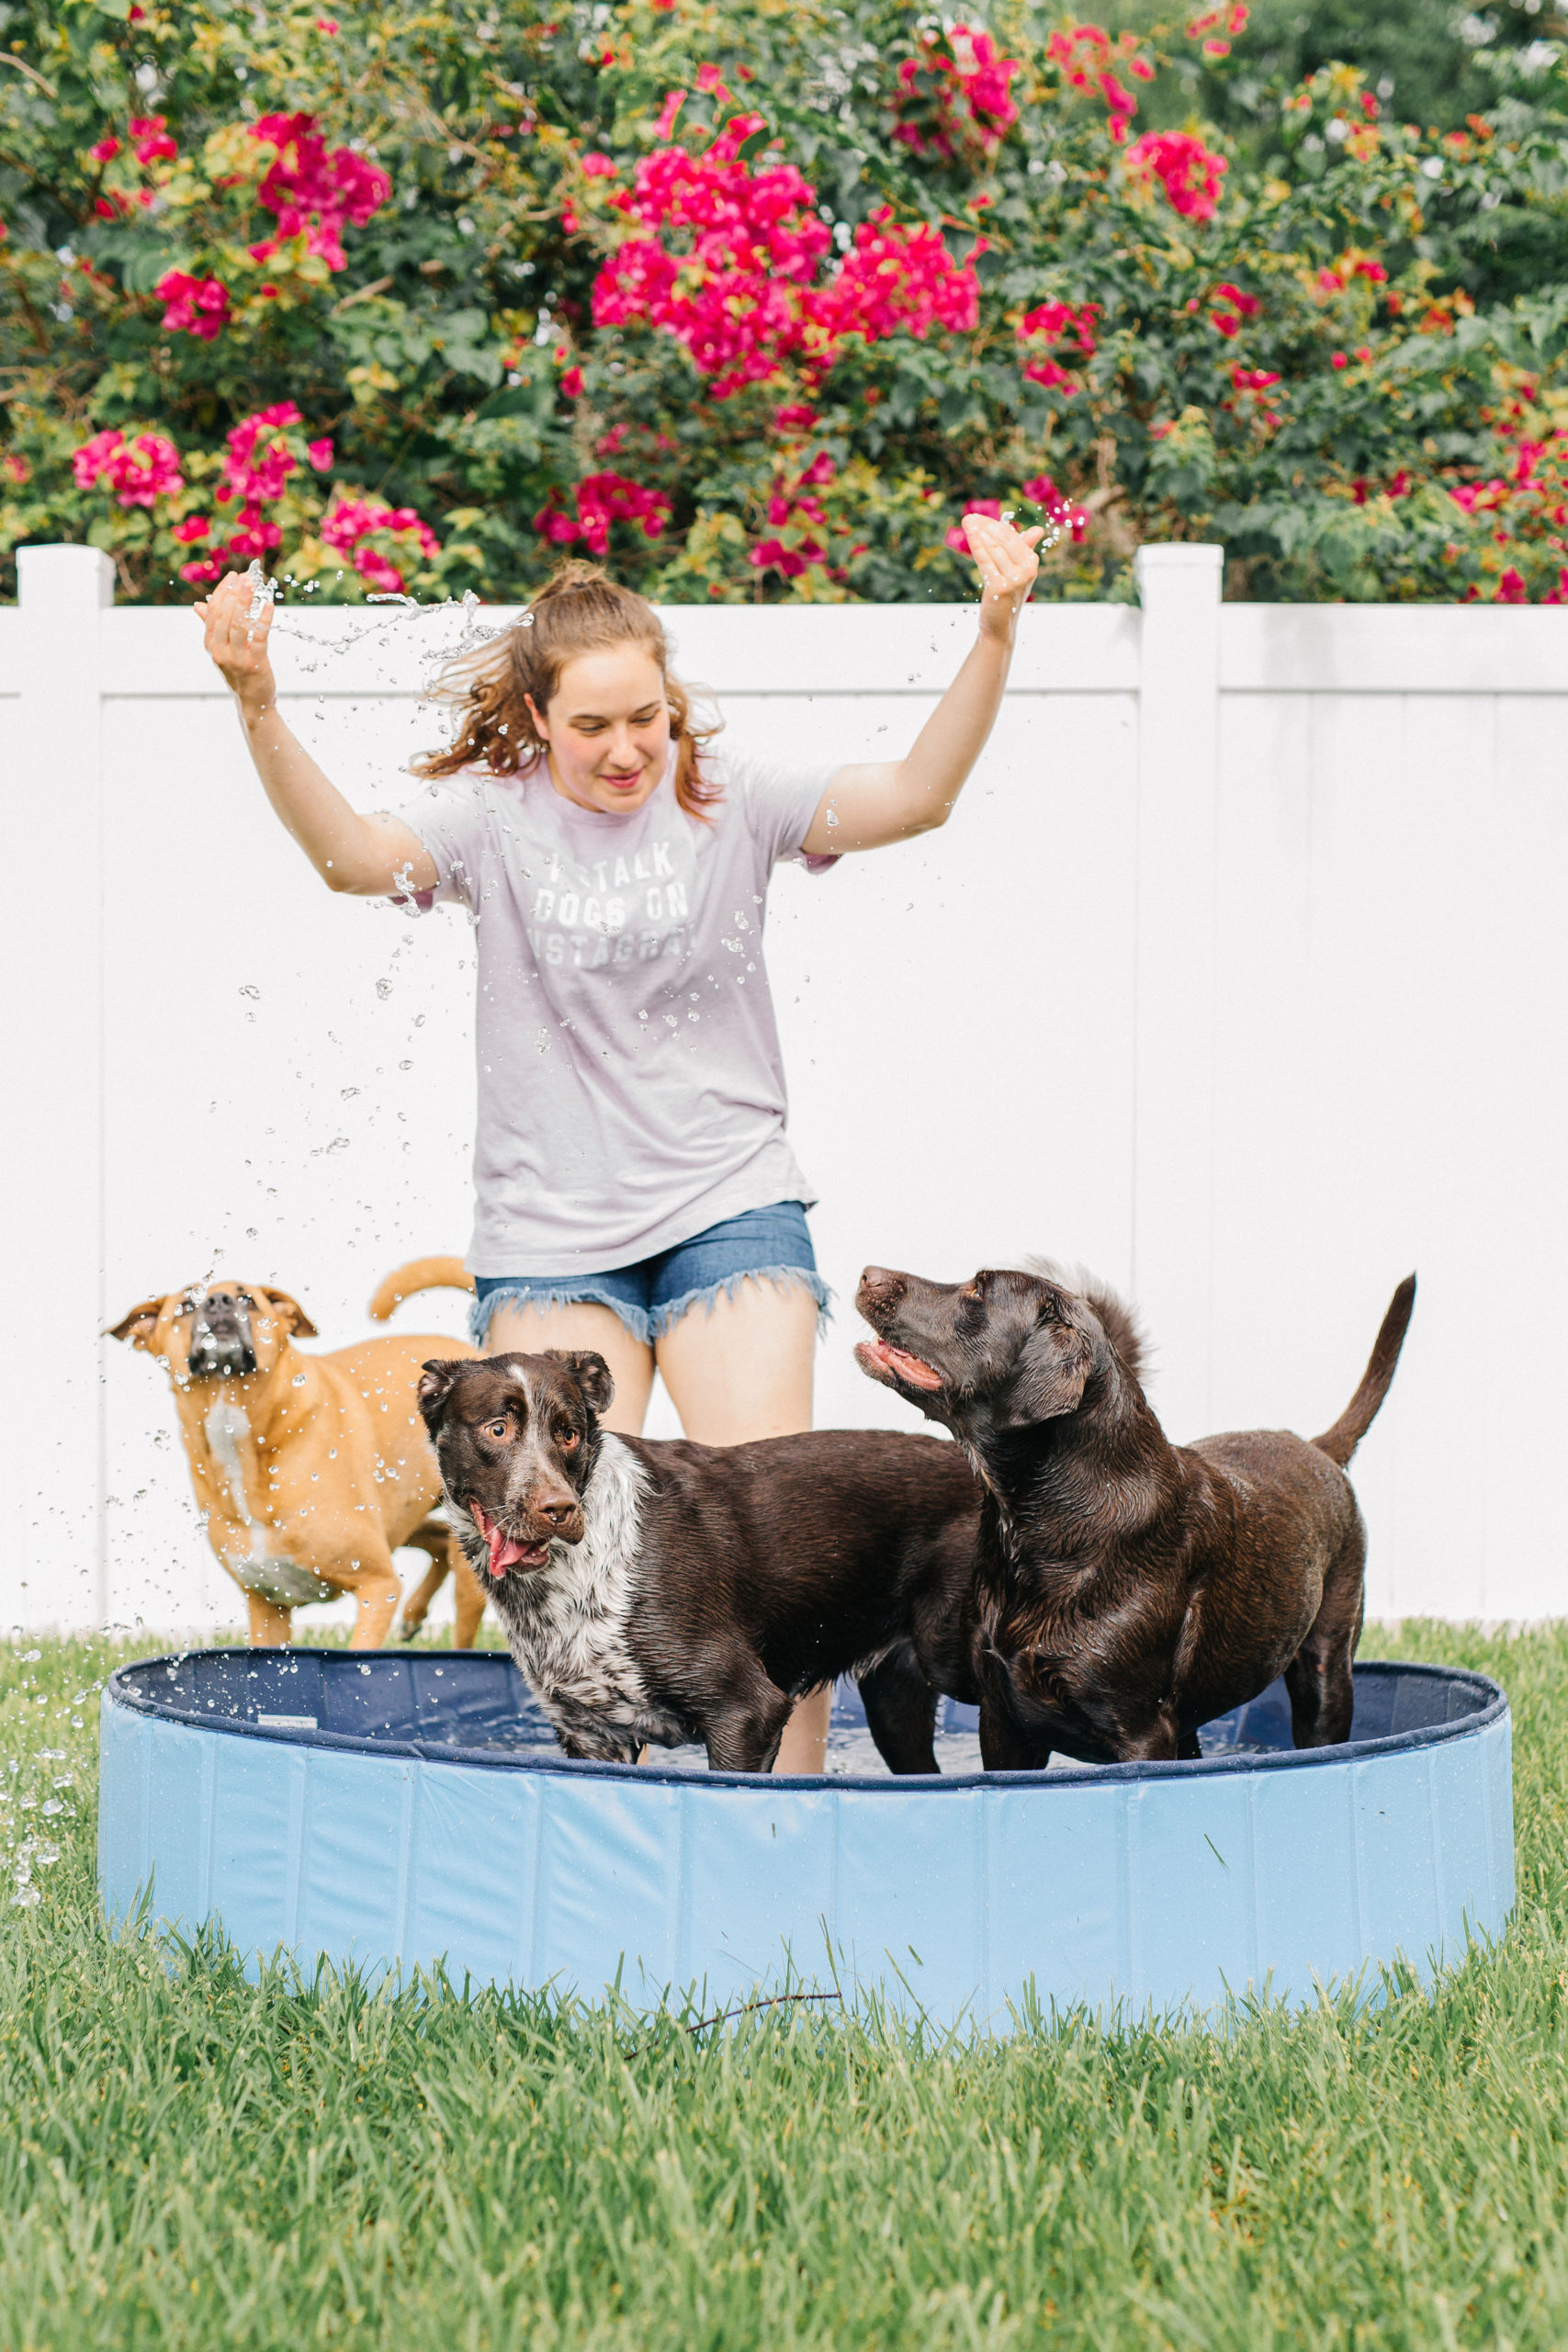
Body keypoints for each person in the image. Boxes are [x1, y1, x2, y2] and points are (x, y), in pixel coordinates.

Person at [197, 511, 1043, 1769]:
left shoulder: (734, 802)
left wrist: (995, 628)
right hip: (549, 1237)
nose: (624, 748)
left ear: (672, 704)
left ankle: (777, 1839)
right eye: (590, 725)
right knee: (556, 1544)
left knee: (773, 1567)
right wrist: (259, 700)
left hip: (730, 1206)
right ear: (537, 720)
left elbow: (917, 799)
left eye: (645, 717)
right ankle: (624, 1875)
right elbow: (350, 862)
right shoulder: (492, 821)